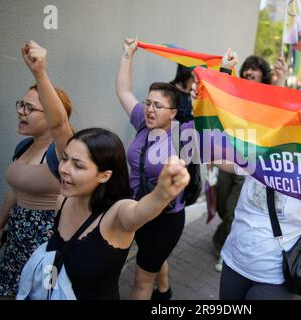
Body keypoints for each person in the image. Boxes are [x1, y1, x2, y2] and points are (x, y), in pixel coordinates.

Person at [190, 57, 301, 300]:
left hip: (276, 274)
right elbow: (213, 155)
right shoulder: (261, 149)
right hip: (235, 259)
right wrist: (200, 108)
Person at [16, 128, 189, 300]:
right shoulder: (62, 201)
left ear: (104, 176)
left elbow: (137, 213)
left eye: (78, 165)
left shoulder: (116, 214)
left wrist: (162, 193)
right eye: (64, 158)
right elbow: (57, 258)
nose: (64, 169)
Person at [0, 41, 73, 300]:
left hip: (44, 242)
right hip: (16, 237)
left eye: (31, 108)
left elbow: (61, 123)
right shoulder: (23, 146)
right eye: (22, 104)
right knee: (10, 290)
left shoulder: (62, 152)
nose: (21, 111)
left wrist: (39, 72)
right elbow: (15, 191)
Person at [116, 36, 195, 300]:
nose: (149, 109)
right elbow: (124, 92)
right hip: (137, 208)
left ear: (173, 112)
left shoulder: (184, 135)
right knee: (151, 259)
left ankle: (159, 291)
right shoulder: (142, 120)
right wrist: (128, 54)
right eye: (148, 102)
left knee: (140, 278)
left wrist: (224, 74)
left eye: (157, 106)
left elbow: (214, 121)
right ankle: (165, 290)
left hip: (166, 219)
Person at [212, 55, 288, 273]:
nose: (248, 72)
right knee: (222, 204)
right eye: (246, 69)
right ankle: (221, 234)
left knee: (232, 209)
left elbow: (279, 103)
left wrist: (281, 78)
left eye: (254, 69)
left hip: (251, 164)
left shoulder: (266, 96)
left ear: (263, 74)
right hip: (229, 158)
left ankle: (223, 252)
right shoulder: (236, 92)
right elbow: (219, 103)